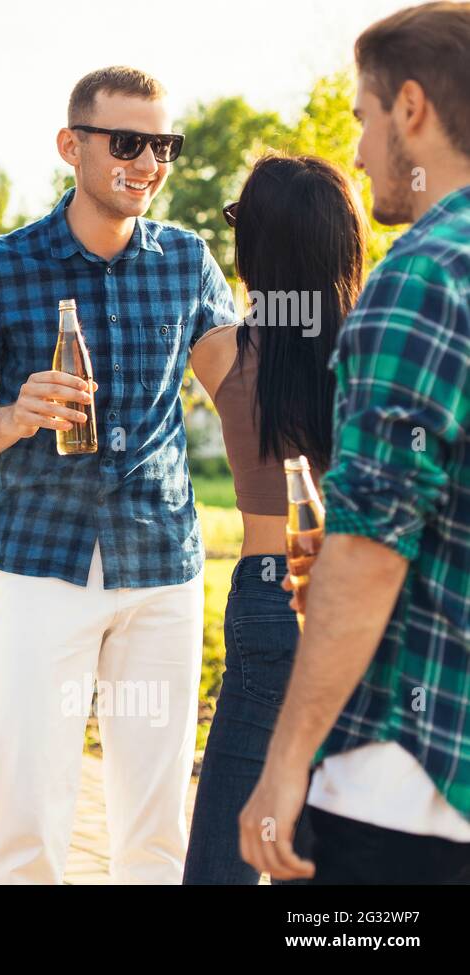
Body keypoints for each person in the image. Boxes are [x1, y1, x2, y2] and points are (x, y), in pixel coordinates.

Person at [0, 66, 235, 883]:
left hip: (162, 562)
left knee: (157, 822)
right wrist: (14, 416)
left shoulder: (187, 262)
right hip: (42, 565)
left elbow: (241, 393)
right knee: (29, 819)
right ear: (72, 146)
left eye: (163, 144)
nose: (149, 161)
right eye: (128, 142)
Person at [241, 0, 470, 884]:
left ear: (410, 108)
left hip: (404, 782)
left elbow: (372, 547)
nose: (362, 150)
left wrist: (286, 759)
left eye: (363, 119)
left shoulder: (421, 275)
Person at [183, 154, 368, 884]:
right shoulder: (375, 352)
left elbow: (243, 308)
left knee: (232, 824)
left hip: (265, 593)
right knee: (342, 826)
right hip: (357, 590)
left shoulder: (220, 353)